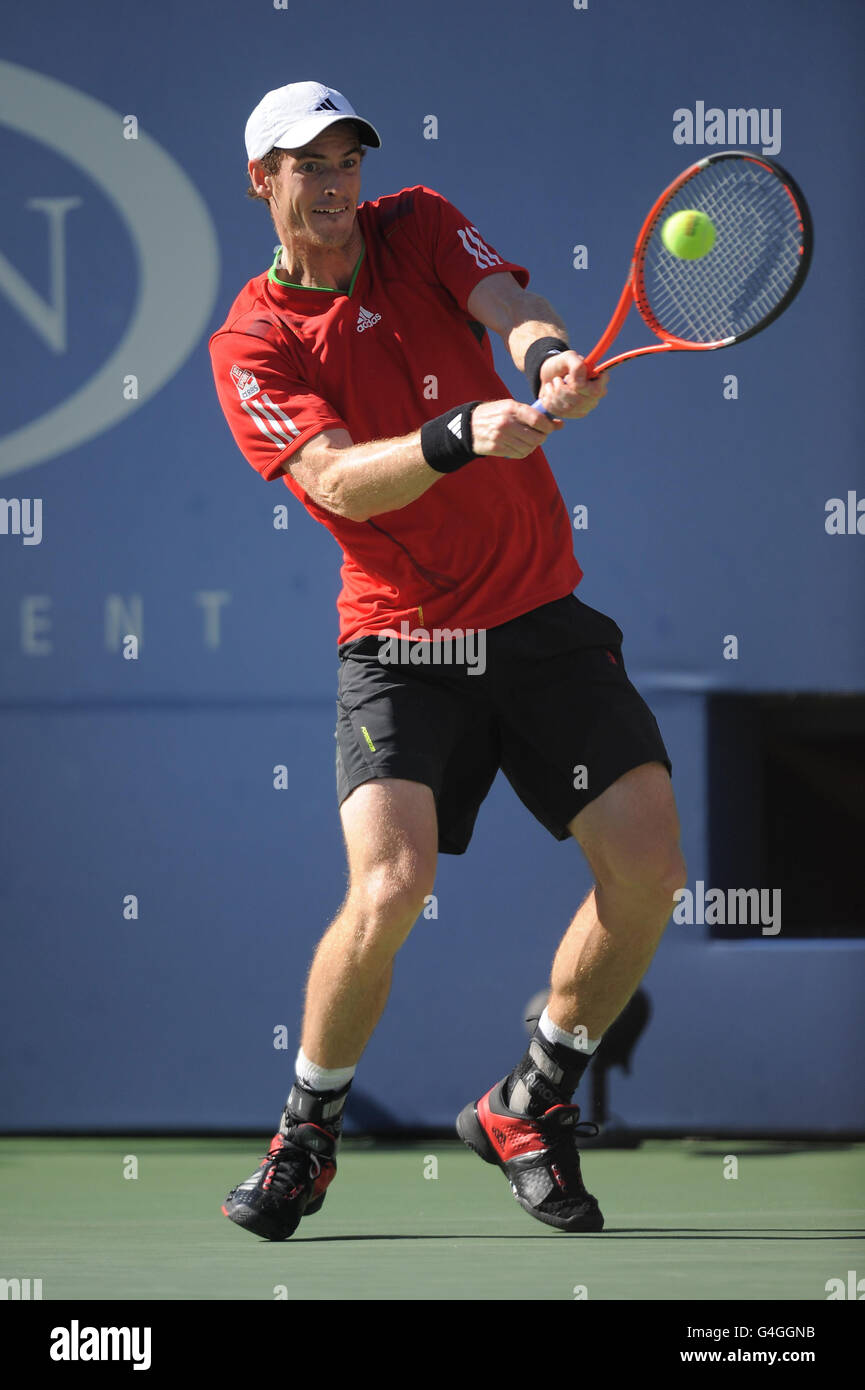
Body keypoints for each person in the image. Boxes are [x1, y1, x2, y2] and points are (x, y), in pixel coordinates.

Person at [209, 80, 686, 1240]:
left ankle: (531, 1099)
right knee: (390, 884)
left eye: (344, 160)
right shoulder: (253, 344)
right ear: (259, 182)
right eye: (304, 165)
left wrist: (550, 355)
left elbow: (507, 300)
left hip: (539, 614)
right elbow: (331, 479)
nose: (331, 185)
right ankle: (307, 1135)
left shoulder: (415, 223)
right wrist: (462, 434)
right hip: (400, 638)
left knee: (649, 872)